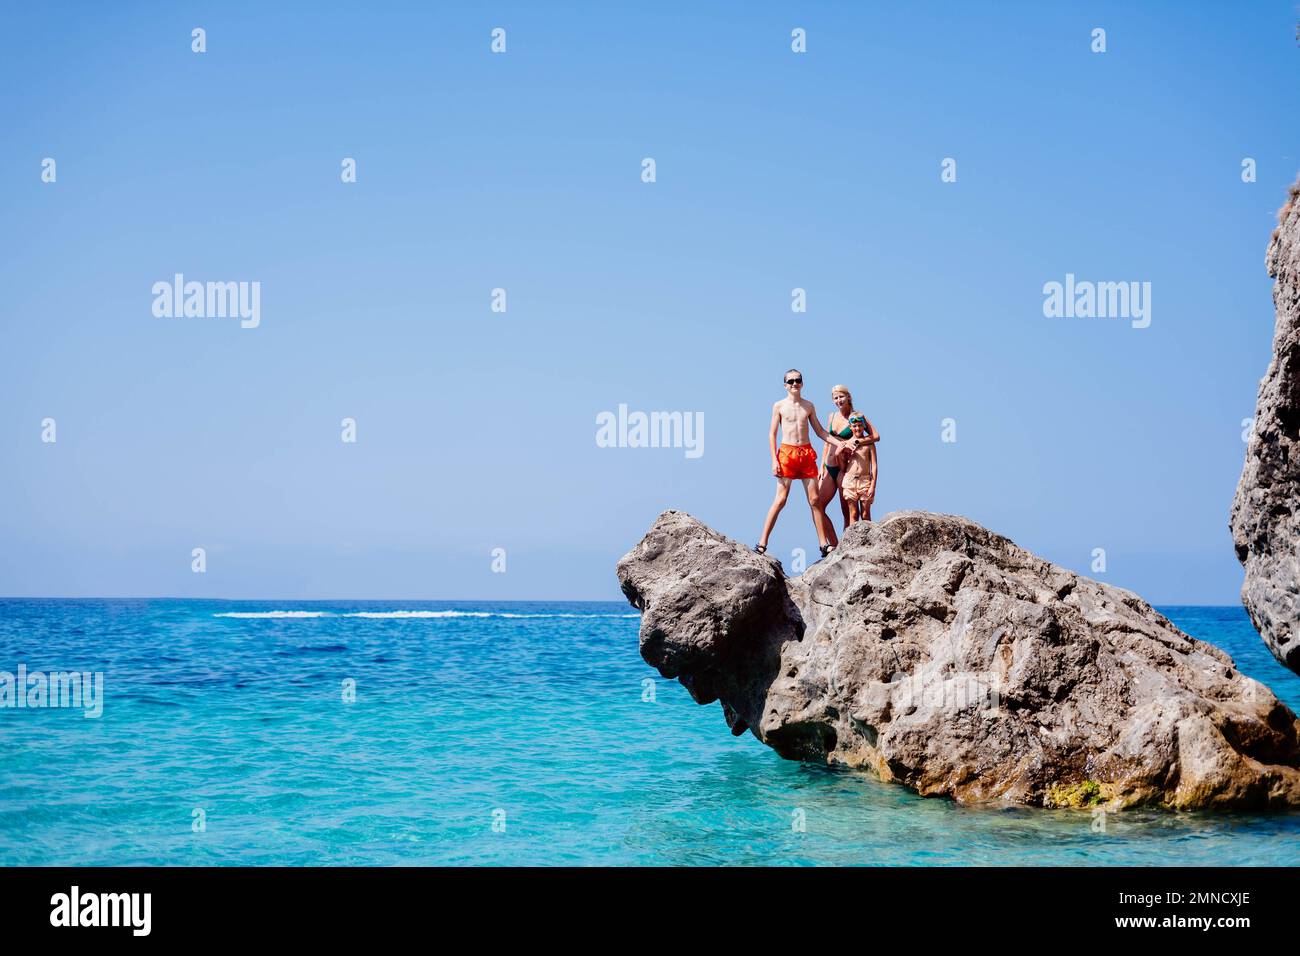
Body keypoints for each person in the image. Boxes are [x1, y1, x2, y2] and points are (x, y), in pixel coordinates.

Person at [756, 369, 847, 558]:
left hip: (805, 453)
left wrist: (841, 443)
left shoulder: (809, 406)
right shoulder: (779, 406)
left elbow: (820, 431)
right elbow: (772, 434)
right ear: (785, 385)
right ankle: (762, 543)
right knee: (780, 500)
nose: (794, 384)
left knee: (814, 501)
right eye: (790, 381)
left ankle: (823, 545)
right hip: (787, 454)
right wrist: (774, 460)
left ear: (802, 383)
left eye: (797, 380)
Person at [815, 385, 879, 534]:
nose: (839, 400)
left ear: (848, 397)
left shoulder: (856, 416)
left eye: (841, 396)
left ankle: (848, 544)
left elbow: (876, 436)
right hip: (829, 465)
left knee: (849, 512)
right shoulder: (831, 416)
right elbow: (827, 441)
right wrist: (821, 466)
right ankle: (832, 546)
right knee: (817, 505)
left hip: (845, 468)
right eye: (835, 398)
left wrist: (857, 442)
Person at [838, 413, 878, 524]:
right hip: (850, 480)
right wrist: (839, 454)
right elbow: (842, 467)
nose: (857, 428)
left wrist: (872, 486)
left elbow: (874, 465)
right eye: (854, 426)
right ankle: (853, 540)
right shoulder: (846, 444)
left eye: (860, 425)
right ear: (850, 427)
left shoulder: (869, 444)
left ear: (864, 426)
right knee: (853, 513)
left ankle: (870, 539)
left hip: (865, 480)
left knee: (865, 514)